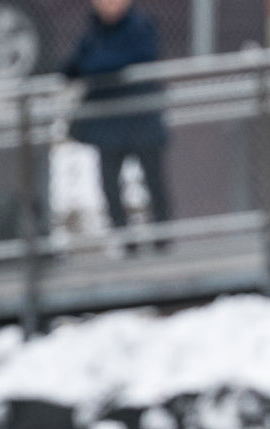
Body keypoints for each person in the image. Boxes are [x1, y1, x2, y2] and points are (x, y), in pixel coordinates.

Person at [61, 0, 171, 255]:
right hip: (108, 127)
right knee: (109, 185)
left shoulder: (140, 26)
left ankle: (164, 237)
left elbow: (135, 58)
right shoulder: (93, 32)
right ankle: (126, 240)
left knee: (154, 181)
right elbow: (74, 66)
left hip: (141, 120)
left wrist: (96, 68)